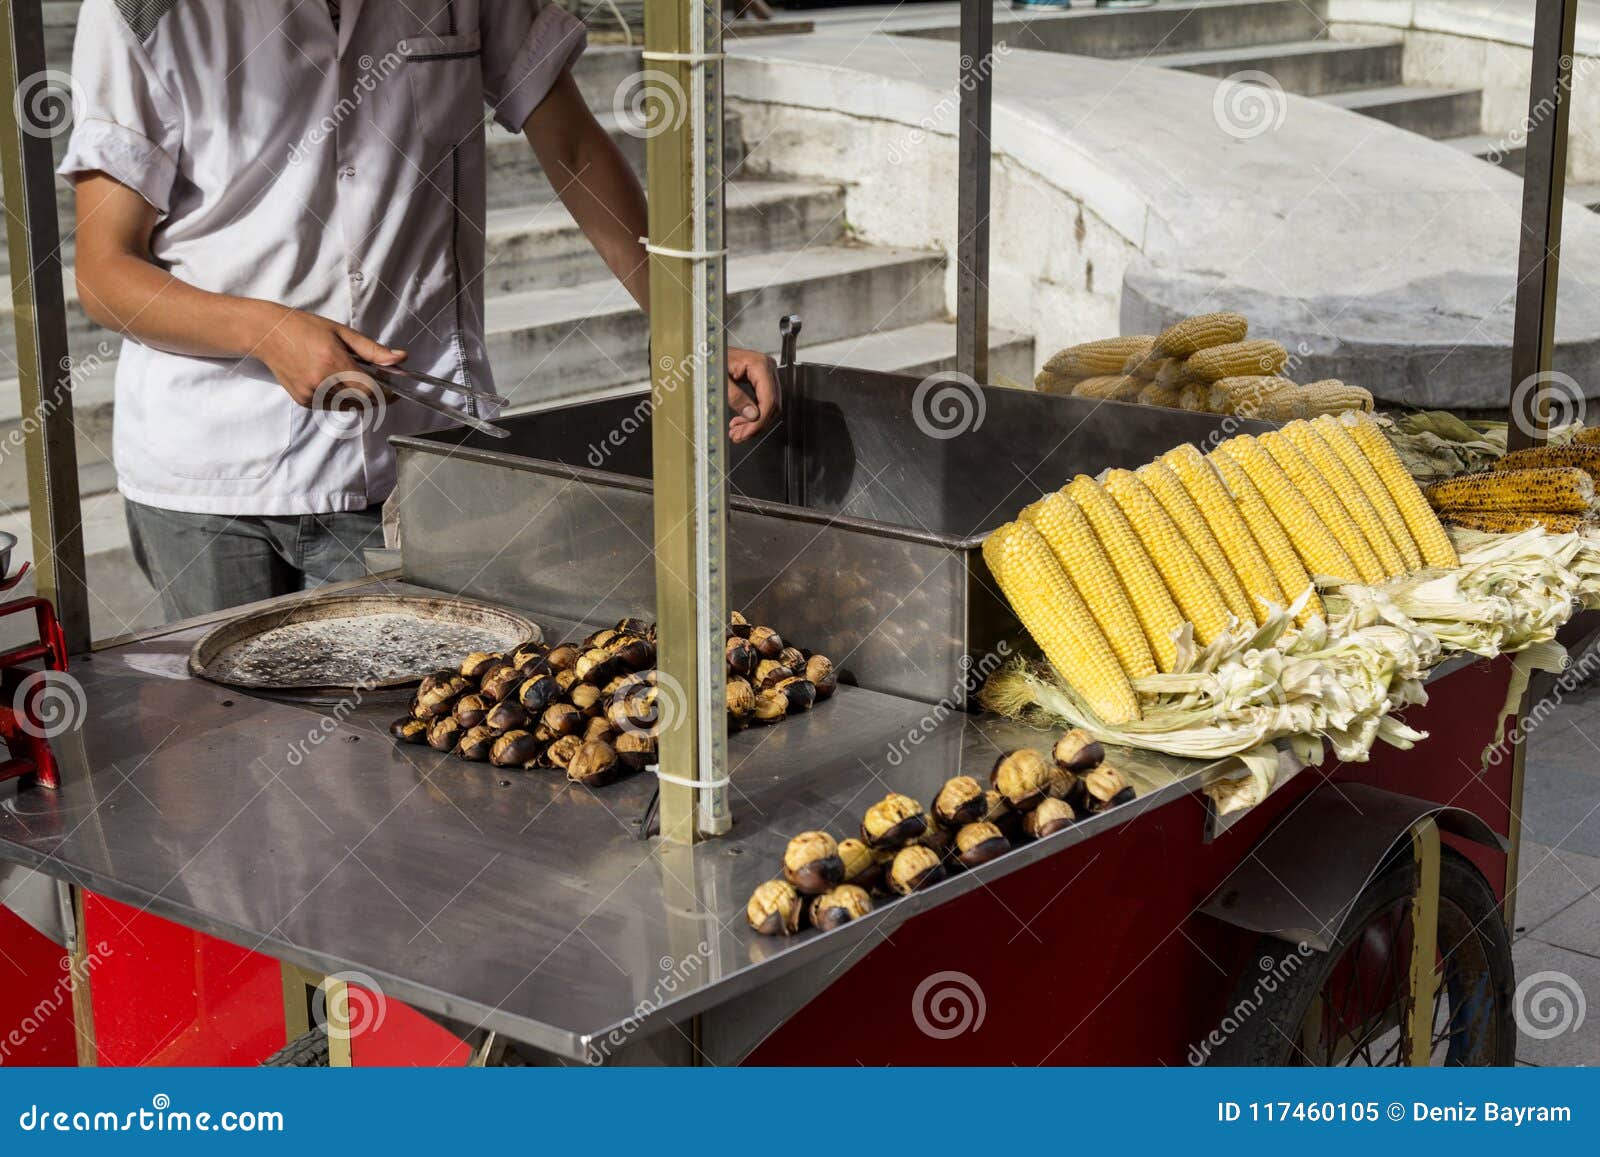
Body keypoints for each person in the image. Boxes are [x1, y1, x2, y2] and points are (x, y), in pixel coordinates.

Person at [61, 0, 779, 621]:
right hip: (203, 475)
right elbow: (104, 270)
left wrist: (693, 332)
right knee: (226, 761)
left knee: (403, 751)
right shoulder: (140, 9)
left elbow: (573, 146)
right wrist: (268, 331)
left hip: (407, 464)